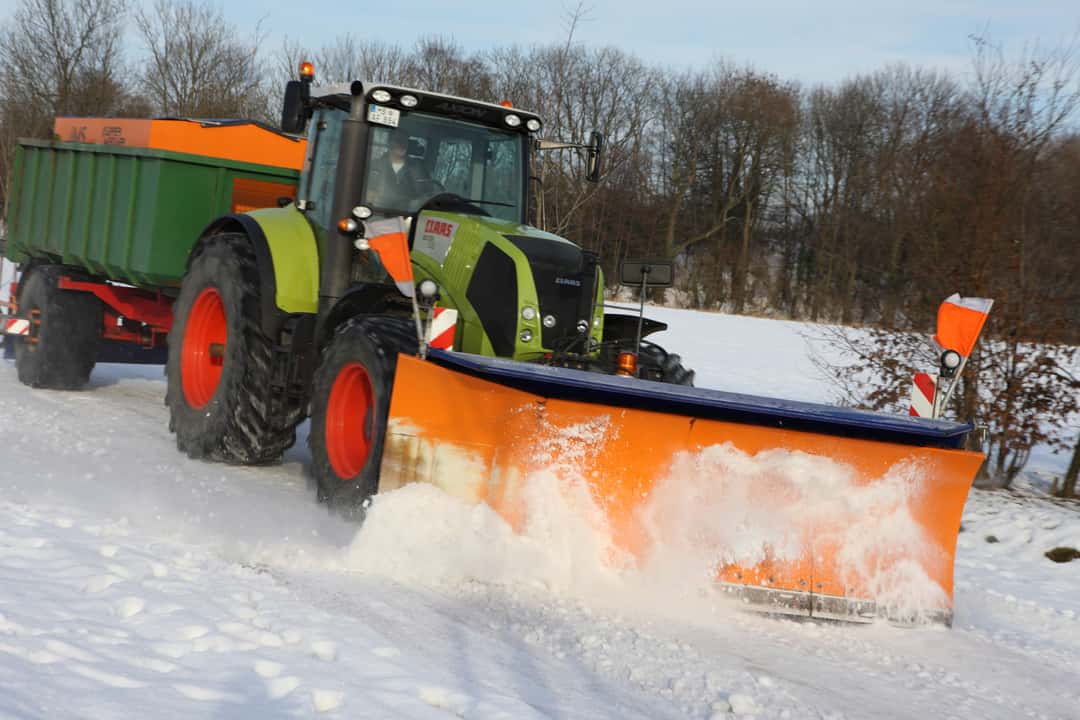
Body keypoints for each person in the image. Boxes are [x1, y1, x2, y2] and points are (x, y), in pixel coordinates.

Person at [368, 134, 434, 210]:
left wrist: (415, 203)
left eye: (405, 141)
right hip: (378, 212)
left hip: (407, 214)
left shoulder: (418, 168)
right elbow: (366, 193)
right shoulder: (375, 165)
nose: (402, 144)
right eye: (398, 141)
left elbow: (426, 194)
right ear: (390, 143)